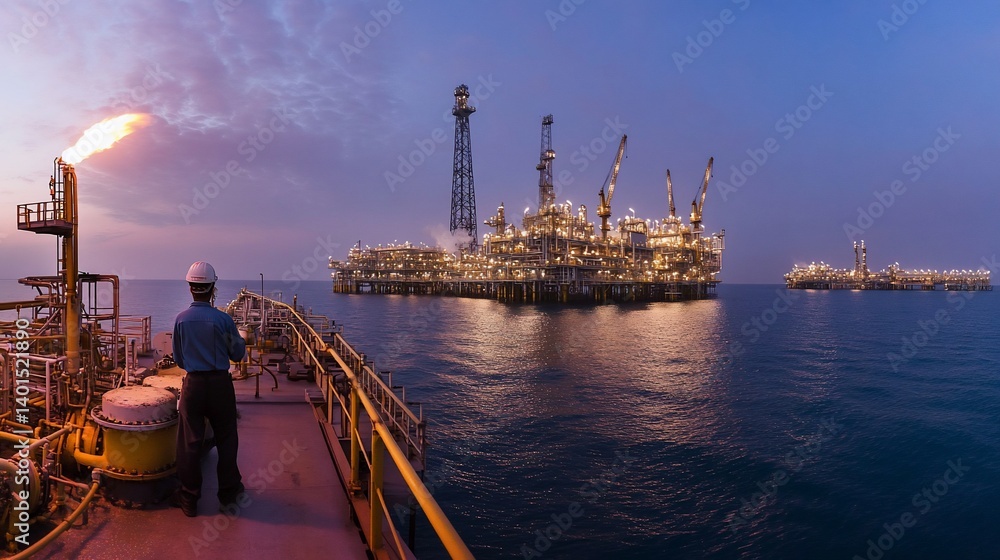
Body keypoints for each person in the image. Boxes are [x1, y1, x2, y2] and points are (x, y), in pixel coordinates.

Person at [172, 261, 246, 517]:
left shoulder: (181, 320)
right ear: (212, 287)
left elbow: (179, 359)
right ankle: (228, 497)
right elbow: (238, 354)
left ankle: (189, 499)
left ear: (191, 288)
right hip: (219, 386)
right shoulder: (223, 320)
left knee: (188, 442)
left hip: (193, 385)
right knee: (227, 439)